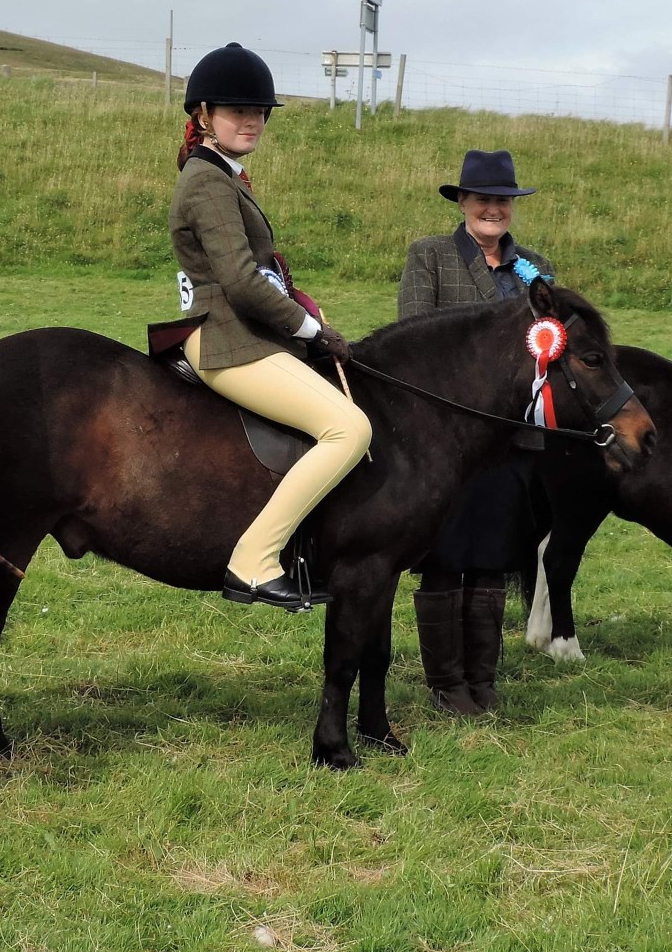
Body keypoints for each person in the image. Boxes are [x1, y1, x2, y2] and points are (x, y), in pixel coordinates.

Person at [165, 42, 372, 611]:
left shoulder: (224, 175)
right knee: (349, 430)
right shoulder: (208, 182)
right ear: (203, 115)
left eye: (259, 111)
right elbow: (238, 279)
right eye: (237, 110)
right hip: (228, 338)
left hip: (246, 331)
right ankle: (253, 560)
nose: (251, 120)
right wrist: (309, 330)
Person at [397, 150, 552, 714]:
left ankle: (482, 680)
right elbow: (413, 342)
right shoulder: (430, 257)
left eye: (503, 200)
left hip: (511, 437)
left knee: (493, 555)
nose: (493, 209)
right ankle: (444, 684)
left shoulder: (533, 268)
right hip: (447, 439)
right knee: (445, 555)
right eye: (482, 198)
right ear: (462, 202)